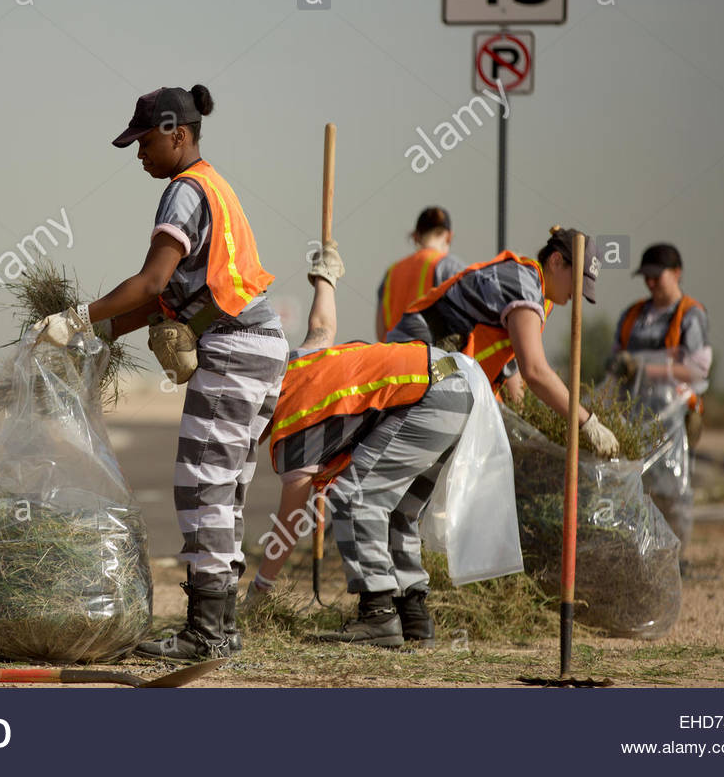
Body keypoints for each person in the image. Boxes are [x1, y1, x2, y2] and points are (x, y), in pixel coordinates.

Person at [33, 85, 288, 661]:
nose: (139, 153)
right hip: (261, 348)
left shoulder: (184, 192)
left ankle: (207, 632)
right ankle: (220, 625)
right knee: (223, 488)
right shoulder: (215, 187)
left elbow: (149, 282)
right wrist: (102, 335)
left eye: (145, 141)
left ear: (179, 134)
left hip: (234, 349)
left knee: (202, 486)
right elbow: (166, 300)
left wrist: (75, 318)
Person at [246, 241, 488, 648]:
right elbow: (322, 326)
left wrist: (260, 589)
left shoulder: (296, 422)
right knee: (397, 511)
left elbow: (289, 524)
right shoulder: (297, 364)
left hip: (429, 395)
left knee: (354, 499)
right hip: (453, 385)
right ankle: (414, 615)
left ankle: (378, 615)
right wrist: (325, 278)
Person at [387, 226, 620, 457]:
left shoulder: (539, 297)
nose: (577, 293)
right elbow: (535, 371)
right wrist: (587, 423)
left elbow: (512, 372)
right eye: (577, 281)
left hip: (443, 366)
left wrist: (528, 424)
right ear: (557, 261)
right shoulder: (525, 285)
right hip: (419, 353)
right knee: (424, 450)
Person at [607, 243, 710, 559]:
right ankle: (639, 553)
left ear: (676, 273)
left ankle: (674, 557)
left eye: (656, 276)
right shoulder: (634, 315)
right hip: (634, 416)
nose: (650, 283)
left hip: (675, 418)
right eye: (646, 277)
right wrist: (619, 367)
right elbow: (614, 359)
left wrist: (645, 368)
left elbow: (697, 368)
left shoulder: (690, 314)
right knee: (633, 486)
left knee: (673, 489)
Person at [376, 206, 465, 340]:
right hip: (428, 357)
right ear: (448, 237)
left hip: (392, 355)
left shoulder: (392, 272)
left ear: (416, 236)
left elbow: (380, 328)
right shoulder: (450, 267)